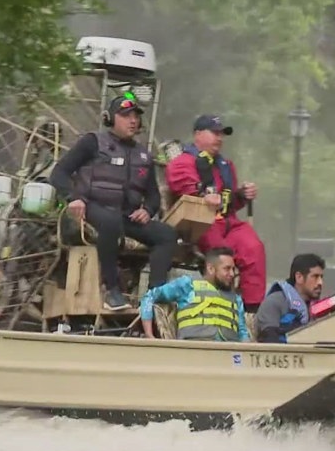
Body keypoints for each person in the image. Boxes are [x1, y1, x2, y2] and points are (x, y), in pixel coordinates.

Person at [48, 94, 179, 311]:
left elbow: (153, 195)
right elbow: (59, 173)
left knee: (166, 234)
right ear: (110, 119)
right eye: (125, 115)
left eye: (136, 115)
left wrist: (147, 210)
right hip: (90, 209)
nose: (133, 120)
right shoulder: (92, 143)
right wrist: (73, 198)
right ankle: (112, 291)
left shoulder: (143, 156)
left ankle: (156, 295)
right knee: (109, 222)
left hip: (125, 216)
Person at [164, 114, 267, 313]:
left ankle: (251, 310)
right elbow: (180, 183)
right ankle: (222, 303)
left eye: (222, 134)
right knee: (224, 255)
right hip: (199, 223)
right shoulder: (183, 162)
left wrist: (242, 195)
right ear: (197, 134)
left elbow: (229, 204)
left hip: (227, 222)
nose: (219, 138)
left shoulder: (225, 166)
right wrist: (203, 194)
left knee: (254, 248)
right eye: (214, 133)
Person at [138, 246, 250, 341]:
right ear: (210, 268)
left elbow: (242, 333)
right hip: (193, 351)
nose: (232, 274)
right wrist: (149, 334)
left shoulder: (236, 299)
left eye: (233, 269)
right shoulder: (188, 284)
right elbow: (149, 297)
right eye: (227, 269)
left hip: (227, 356)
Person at [254, 253, 326, 343]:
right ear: (299, 277)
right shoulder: (274, 302)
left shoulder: (316, 308)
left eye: (321, 277)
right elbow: (269, 341)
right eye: (315, 277)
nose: (320, 282)